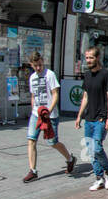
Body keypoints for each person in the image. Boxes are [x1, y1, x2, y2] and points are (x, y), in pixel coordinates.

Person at [22, 51, 75, 183]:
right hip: (36, 114)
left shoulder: (50, 75)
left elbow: (55, 94)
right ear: (31, 65)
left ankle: (70, 159)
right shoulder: (32, 77)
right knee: (31, 140)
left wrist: (49, 110)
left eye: (40, 64)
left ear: (42, 61)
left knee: (53, 142)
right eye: (35, 66)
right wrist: (33, 109)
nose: (38, 68)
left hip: (50, 115)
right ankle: (33, 171)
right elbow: (33, 95)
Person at [74, 46, 108, 190]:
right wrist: (79, 116)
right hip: (89, 118)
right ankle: (99, 178)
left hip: (101, 117)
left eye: (91, 57)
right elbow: (85, 96)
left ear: (97, 58)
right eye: (86, 57)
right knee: (90, 150)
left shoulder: (106, 74)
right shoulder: (86, 75)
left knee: (97, 148)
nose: (88, 60)